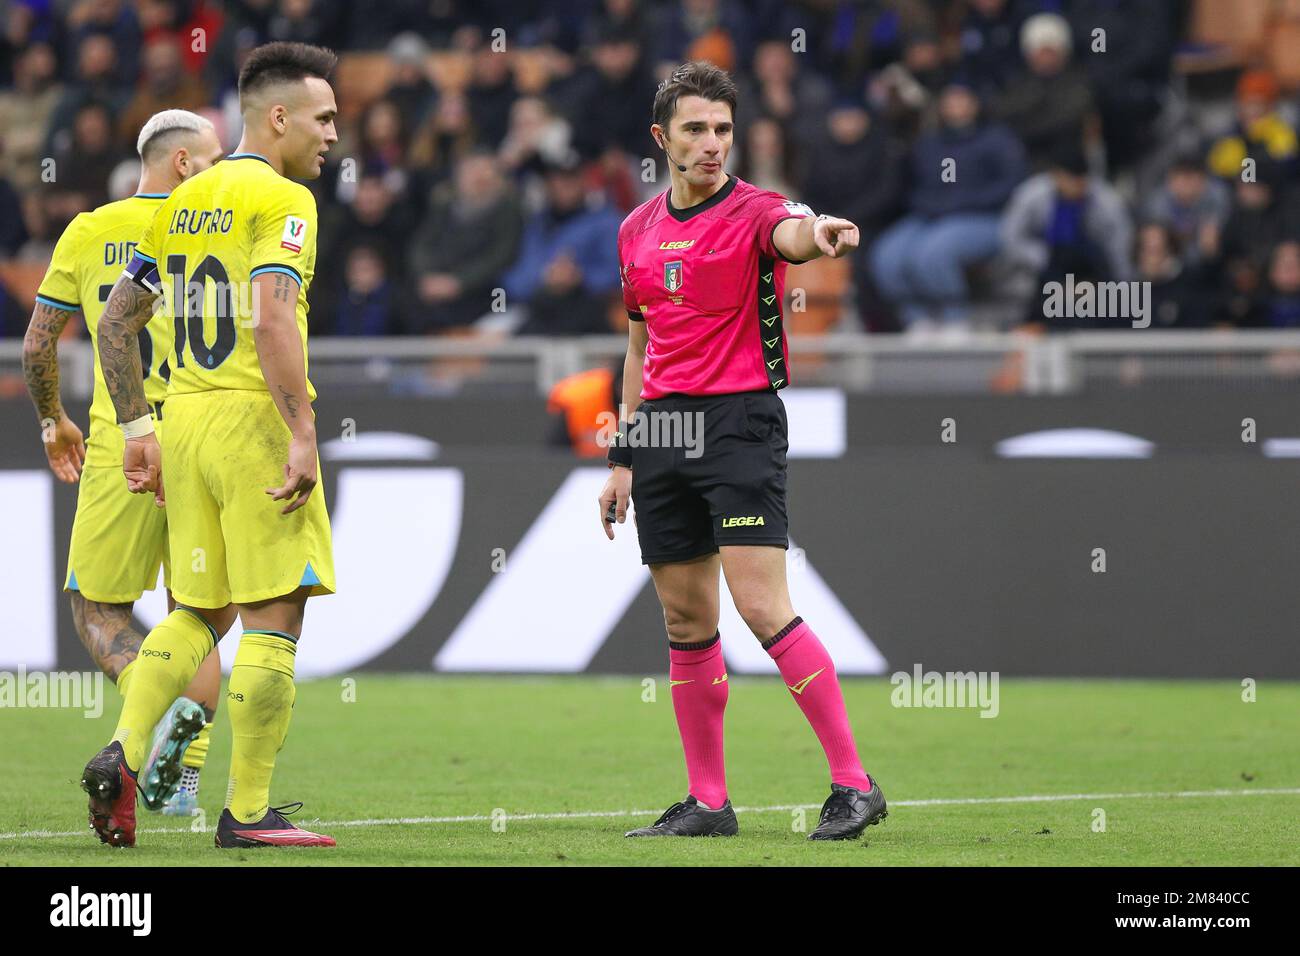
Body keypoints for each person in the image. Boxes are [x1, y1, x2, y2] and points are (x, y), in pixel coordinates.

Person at [598, 61, 886, 841]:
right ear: (662, 138)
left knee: (761, 605)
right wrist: (624, 453)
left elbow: (796, 231)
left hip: (738, 425)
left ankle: (854, 784)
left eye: (723, 129)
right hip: (661, 429)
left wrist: (820, 235)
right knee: (687, 621)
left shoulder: (760, 212)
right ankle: (708, 801)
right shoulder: (634, 230)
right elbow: (637, 345)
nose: (712, 144)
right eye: (695, 129)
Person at [82, 41, 340, 850]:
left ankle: (121, 755)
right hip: (251, 421)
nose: (333, 134)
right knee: (275, 609)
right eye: (323, 117)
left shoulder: (182, 200)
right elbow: (270, 317)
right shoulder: (284, 199)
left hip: (182, 420)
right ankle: (249, 811)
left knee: (200, 608)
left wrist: (137, 429)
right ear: (277, 116)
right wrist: (301, 433)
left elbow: (116, 321)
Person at [23, 110, 226, 818]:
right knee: (195, 611)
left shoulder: (88, 230)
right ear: (182, 164)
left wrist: (54, 423)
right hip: (209, 433)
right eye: (217, 155)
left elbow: (37, 346)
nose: (225, 166)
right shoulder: (223, 231)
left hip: (124, 441)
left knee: (96, 604)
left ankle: (147, 704)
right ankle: (186, 781)